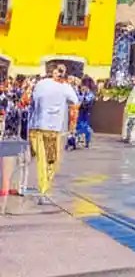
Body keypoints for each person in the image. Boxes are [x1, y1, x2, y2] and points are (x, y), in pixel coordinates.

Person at [28, 63, 80, 204]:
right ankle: (43, 191)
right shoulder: (65, 87)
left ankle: (43, 189)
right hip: (51, 129)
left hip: (36, 127)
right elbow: (75, 101)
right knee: (50, 161)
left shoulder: (41, 84)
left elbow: (32, 101)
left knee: (42, 160)